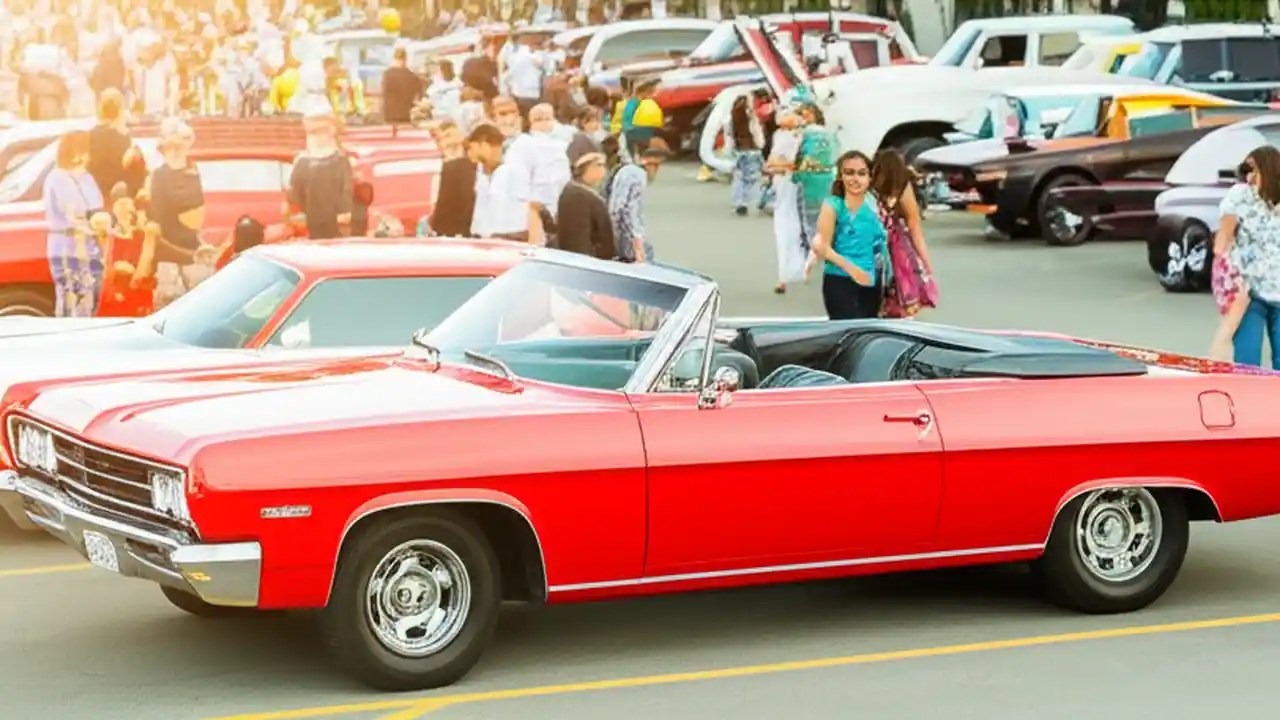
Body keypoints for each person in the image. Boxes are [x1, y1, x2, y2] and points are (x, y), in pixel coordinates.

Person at [1216, 147, 1280, 368]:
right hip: (1249, 294)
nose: (1249, 176)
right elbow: (1222, 242)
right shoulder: (1240, 196)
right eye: (1245, 170)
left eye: (1253, 170)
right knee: (1247, 364)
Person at [147, 117, 216, 309]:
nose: (176, 151)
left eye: (180, 145)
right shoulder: (160, 176)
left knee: (196, 308)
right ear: (164, 150)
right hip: (169, 258)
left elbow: (196, 217)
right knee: (169, 307)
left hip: (191, 253)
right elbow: (157, 220)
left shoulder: (192, 173)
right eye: (171, 146)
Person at [813, 150, 889, 320]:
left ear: (870, 177)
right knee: (847, 333)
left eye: (862, 173)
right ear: (840, 176)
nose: (855, 179)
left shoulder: (874, 203)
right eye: (849, 173)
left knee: (868, 333)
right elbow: (823, 247)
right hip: (840, 279)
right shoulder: (833, 205)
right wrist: (853, 270)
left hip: (872, 281)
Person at [43, 131, 105, 317]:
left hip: (90, 246)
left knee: (90, 302)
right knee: (72, 302)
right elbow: (74, 212)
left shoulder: (87, 177)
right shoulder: (58, 177)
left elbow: (97, 208)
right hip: (68, 247)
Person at [870, 149, 937, 319]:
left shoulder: (869, 188)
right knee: (902, 283)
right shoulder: (901, 186)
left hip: (872, 244)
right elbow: (913, 223)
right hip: (897, 245)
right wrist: (925, 262)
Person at [288, 110, 354, 239]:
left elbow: (295, 195)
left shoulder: (303, 162)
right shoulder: (339, 160)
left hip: (322, 226)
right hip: (325, 226)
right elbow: (346, 191)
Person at [607, 136, 671, 263]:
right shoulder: (637, 175)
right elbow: (628, 211)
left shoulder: (625, 170)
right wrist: (637, 244)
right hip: (626, 240)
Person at [97, 186, 157, 318]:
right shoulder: (110, 237)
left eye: (127, 209)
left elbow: (146, 264)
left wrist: (133, 273)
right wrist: (117, 268)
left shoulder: (144, 234)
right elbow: (105, 267)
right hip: (114, 292)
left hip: (137, 292)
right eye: (120, 209)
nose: (124, 214)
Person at [764, 110, 806, 294]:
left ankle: (790, 271)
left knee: (791, 226)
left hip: (791, 183)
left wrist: (777, 166)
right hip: (783, 184)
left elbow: (781, 164)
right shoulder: (780, 135)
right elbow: (771, 163)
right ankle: (789, 271)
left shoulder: (798, 137)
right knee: (787, 227)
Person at [556, 133, 614, 259]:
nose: (603, 171)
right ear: (582, 167)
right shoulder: (578, 197)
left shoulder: (581, 192)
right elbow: (578, 246)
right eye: (598, 165)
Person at [467, 123, 527, 240]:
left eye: (472, 148)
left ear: (483, 145)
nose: (470, 154)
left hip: (510, 238)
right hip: (485, 240)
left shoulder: (513, 170)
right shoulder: (482, 172)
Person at [429, 120, 478, 237]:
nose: (450, 142)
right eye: (445, 138)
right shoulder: (438, 174)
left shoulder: (476, 169)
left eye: (454, 147)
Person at [88, 88, 132, 201]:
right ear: (120, 110)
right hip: (116, 200)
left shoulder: (90, 136)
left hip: (94, 198)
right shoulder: (123, 138)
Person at [381, 45, 423, 124]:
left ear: (394, 58)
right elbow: (419, 96)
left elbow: (384, 93)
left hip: (390, 115)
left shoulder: (387, 74)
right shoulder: (412, 76)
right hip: (406, 115)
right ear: (406, 59)